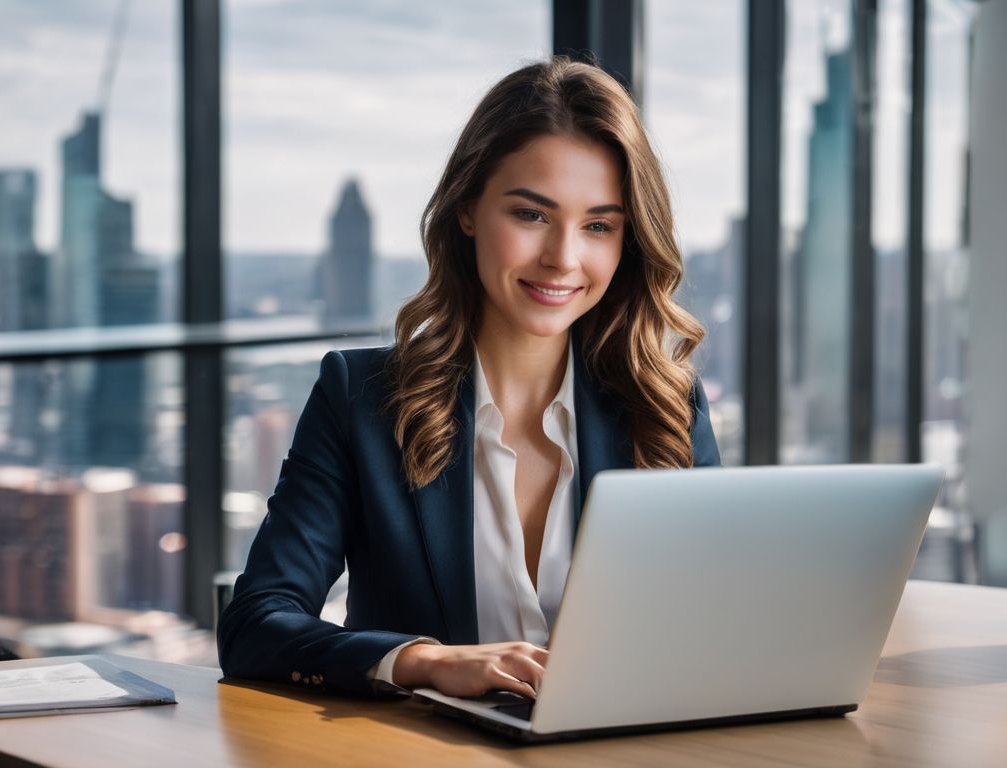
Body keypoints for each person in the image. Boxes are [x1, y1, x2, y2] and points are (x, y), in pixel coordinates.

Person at [217, 56, 720, 700]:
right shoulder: (362, 399)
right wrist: (423, 661)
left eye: (598, 225)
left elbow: (711, 626)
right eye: (531, 215)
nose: (563, 258)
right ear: (467, 210)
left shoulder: (666, 406)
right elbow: (256, 626)